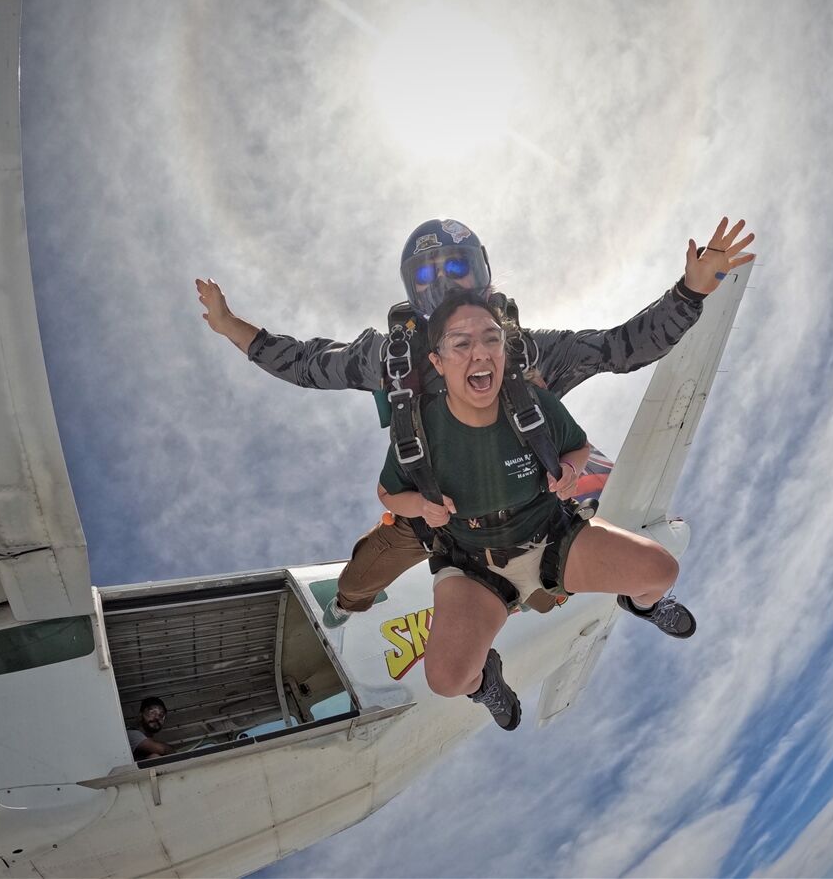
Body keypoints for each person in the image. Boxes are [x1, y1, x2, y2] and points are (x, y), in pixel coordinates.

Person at [196, 217, 754, 627]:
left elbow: (618, 348)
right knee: (358, 578)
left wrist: (690, 293)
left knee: (576, 576)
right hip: (436, 517)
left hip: (530, 506)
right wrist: (231, 326)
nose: (446, 284)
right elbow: (308, 363)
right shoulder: (392, 359)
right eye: (429, 275)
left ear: (483, 276)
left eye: (458, 268)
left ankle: (639, 598)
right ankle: (347, 610)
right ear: (413, 293)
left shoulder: (524, 351)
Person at [378, 289, 692, 730]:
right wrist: (420, 505)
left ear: (503, 349)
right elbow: (388, 493)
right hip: (474, 566)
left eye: (491, 339)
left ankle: (643, 605)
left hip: (551, 539)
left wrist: (570, 469)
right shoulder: (417, 434)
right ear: (438, 361)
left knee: (661, 571)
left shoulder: (531, 405)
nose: (480, 353)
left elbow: (578, 448)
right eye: (461, 343)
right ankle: (485, 681)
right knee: (448, 680)